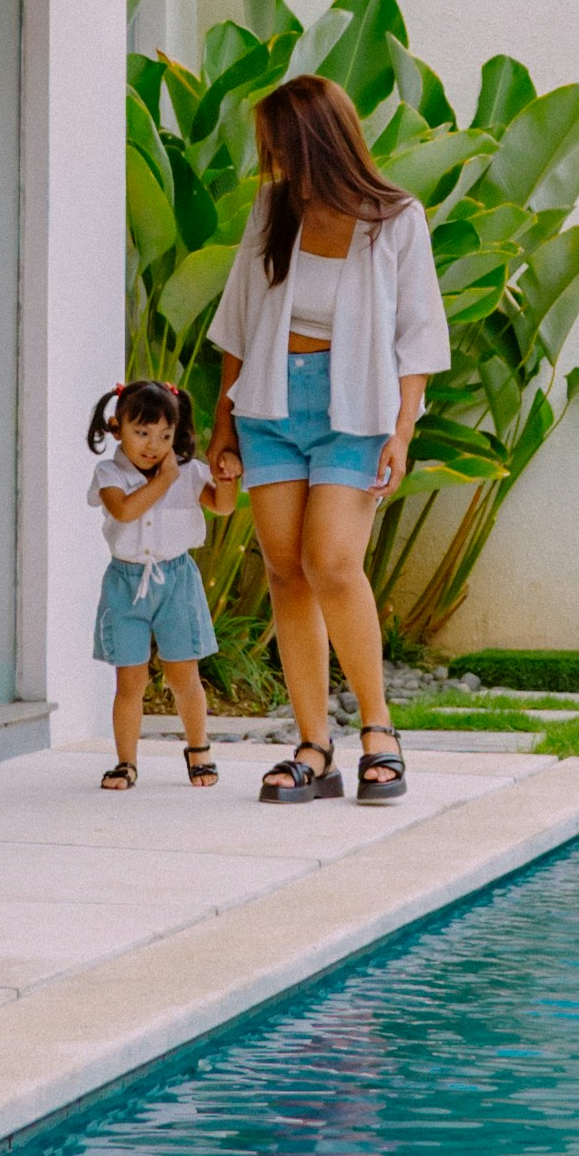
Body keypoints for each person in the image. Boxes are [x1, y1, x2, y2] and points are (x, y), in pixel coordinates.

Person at [206, 72, 448, 807]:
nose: (267, 154)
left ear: (312, 137)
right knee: (286, 570)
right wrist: (224, 429)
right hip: (271, 405)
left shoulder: (395, 219)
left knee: (333, 562)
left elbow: (417, 336)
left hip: (357, 409)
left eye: (277, 140)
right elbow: (239, 322)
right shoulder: (274, 209)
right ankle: (314, 746)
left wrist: (402, 432)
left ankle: (380, 731)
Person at [88, 377, 233, 790]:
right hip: (125, 584)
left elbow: (222, 506)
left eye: (165, 435)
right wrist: (164, 480)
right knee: (130, 680)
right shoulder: (109, 473)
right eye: (142, 432)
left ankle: (199, 748)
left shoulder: (186, 471)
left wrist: (227, 473)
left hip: (176, 580)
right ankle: (126, 762)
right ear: (117, 428)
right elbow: (126, 511)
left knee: (183, 673)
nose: (153, 444)